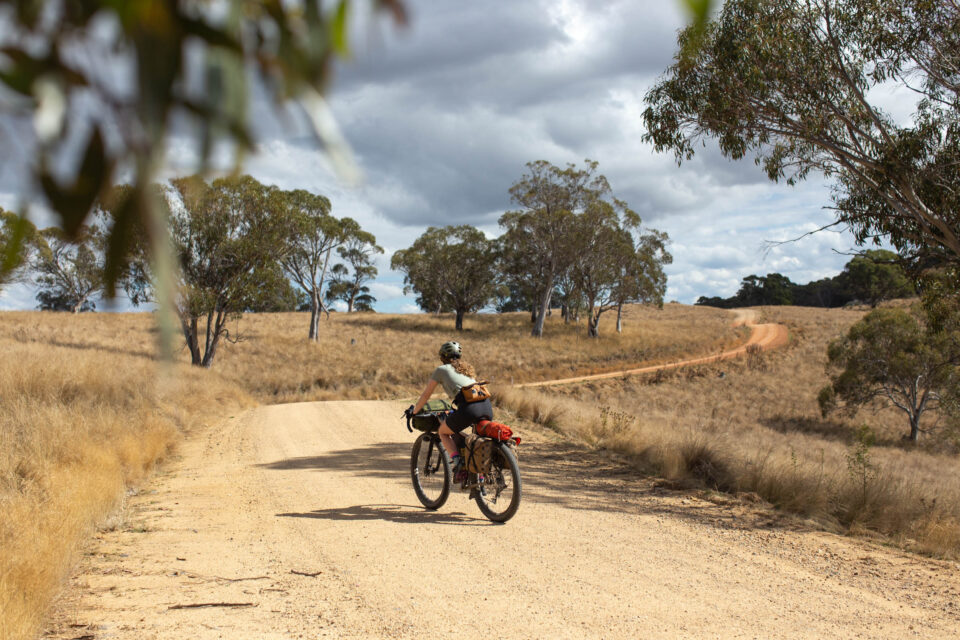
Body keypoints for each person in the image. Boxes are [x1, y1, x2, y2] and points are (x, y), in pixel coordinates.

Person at [406, 341, 493, 477]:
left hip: (469, 409)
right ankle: (481, 479)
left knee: (443, 432)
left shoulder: (441, 370)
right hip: (486, 407)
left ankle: (459, 465)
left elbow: (426, 395)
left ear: (443, 357)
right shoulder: (466, 370)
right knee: (477, 441)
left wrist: (414, 412)